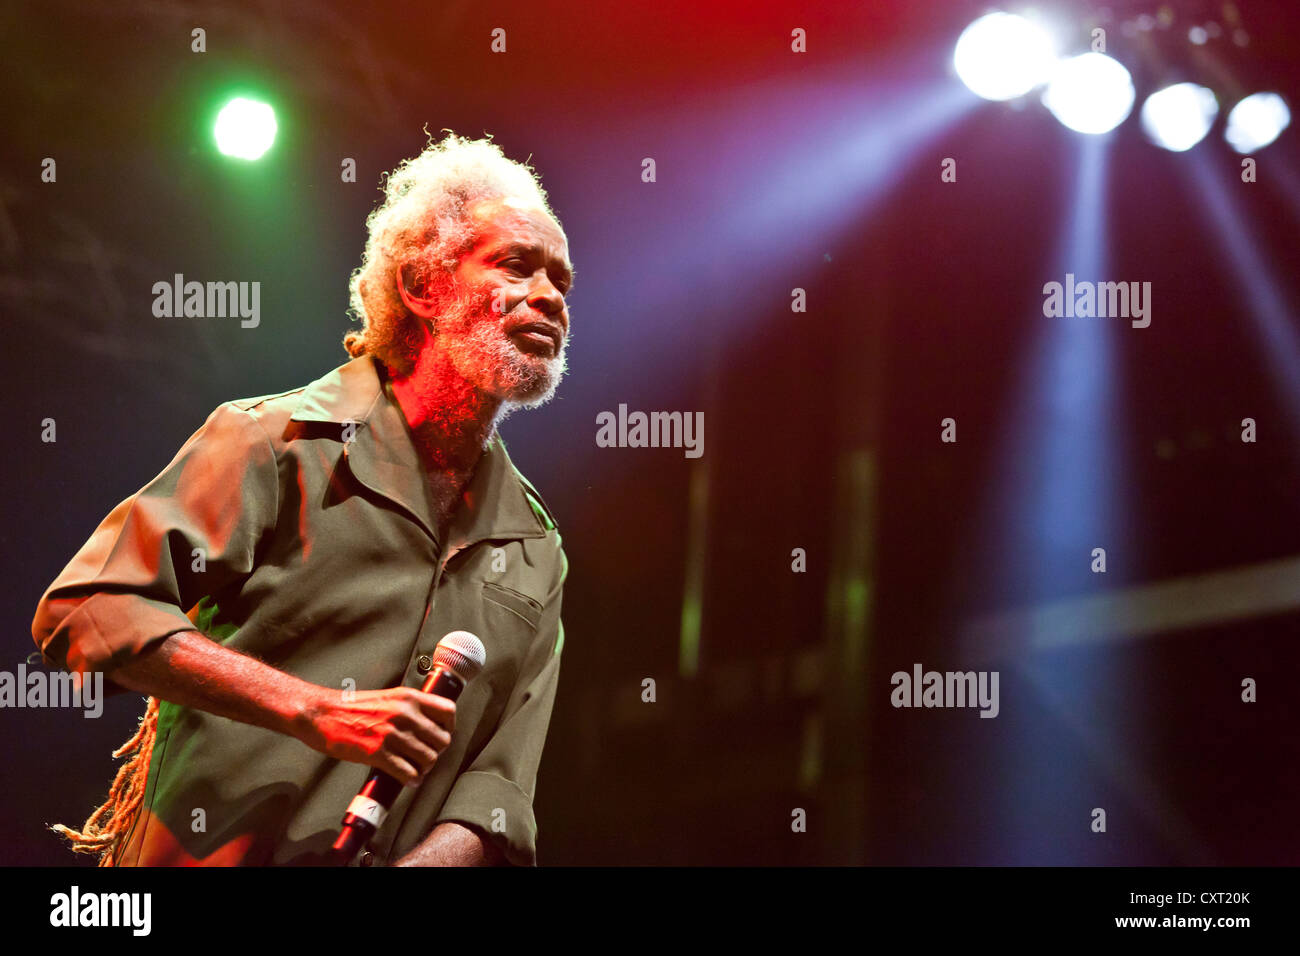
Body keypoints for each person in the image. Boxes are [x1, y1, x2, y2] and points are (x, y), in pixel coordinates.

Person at [31, 132, 574, 867]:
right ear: (422, 285)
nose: (549, 295)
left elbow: (499, 790)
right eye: (516, 265)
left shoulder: (537, 551)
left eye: (562, 282)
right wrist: (318, 709)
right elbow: (87, 609)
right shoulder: (272, 442)